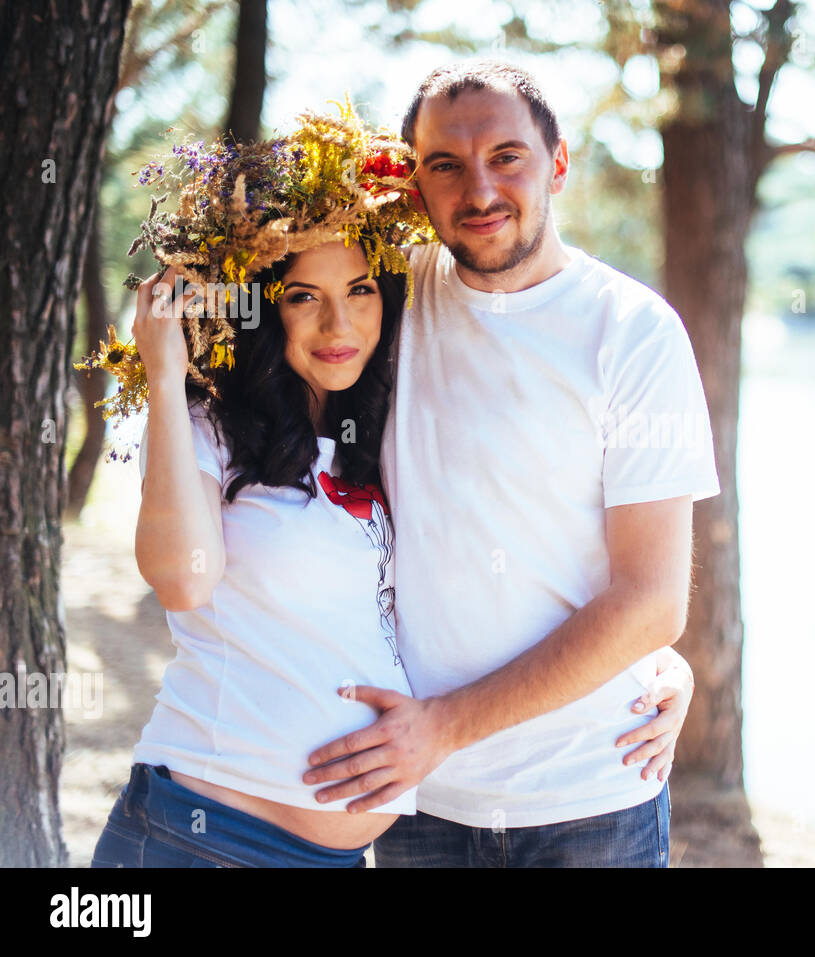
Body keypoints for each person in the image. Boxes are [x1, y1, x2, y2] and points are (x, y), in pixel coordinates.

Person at [85, 104, 694, 868]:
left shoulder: (366, 430)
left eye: (361, 290)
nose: (338, 322)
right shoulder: (211, 423)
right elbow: (182, 580)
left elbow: (579, 576)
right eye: (302, 295)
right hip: (207, 835)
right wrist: (164, 373)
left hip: (414, 836)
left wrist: (649, 659)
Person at [299, 62, 721, 868]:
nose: (479, 190)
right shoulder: (382, 303)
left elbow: (651, 600)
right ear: (412, 184)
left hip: (592, 797)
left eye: (506, 156)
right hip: (420, 798)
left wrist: (442, 728)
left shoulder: (633, 332)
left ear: (557, 163)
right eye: (445, 165)